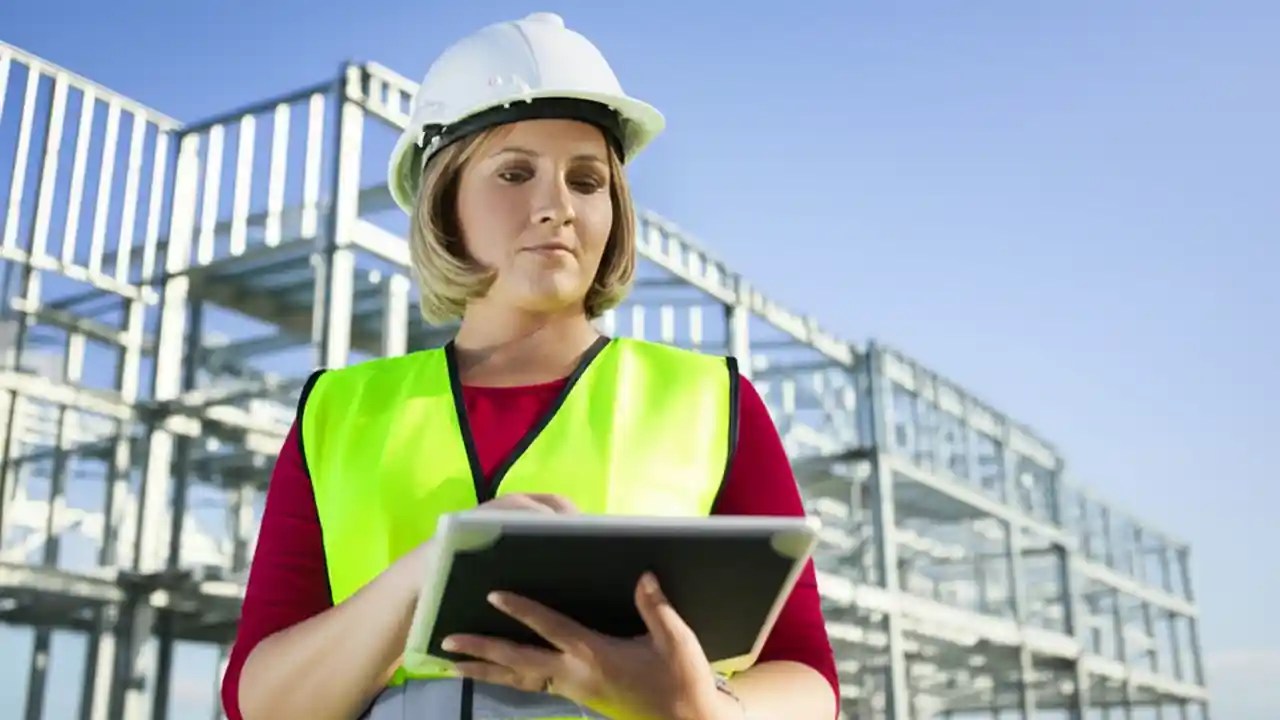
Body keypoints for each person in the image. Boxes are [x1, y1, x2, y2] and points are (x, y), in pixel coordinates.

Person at [220, 11, 840, 720]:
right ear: (443, 200)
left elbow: (808, 680)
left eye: (586, 180)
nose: (556, 208)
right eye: (515, 173)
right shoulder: (339, 411)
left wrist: (694, 707)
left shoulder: (712, 402)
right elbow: (259, 703)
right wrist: (419, 579)